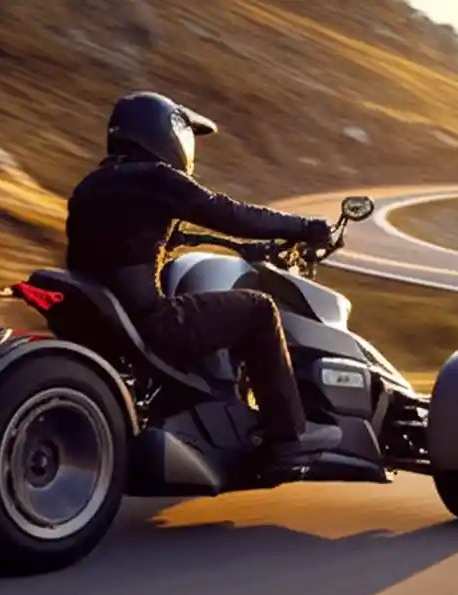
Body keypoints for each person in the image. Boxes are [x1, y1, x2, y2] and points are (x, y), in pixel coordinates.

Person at [65, 91, 340, 463]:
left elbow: (127, 239)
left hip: (100, 318)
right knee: (259, 310)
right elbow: (231, 214)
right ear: (164, 132)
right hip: (149, 321)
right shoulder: (158, 178)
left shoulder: (91, 186)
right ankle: (288, 432)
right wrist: (306, 227)